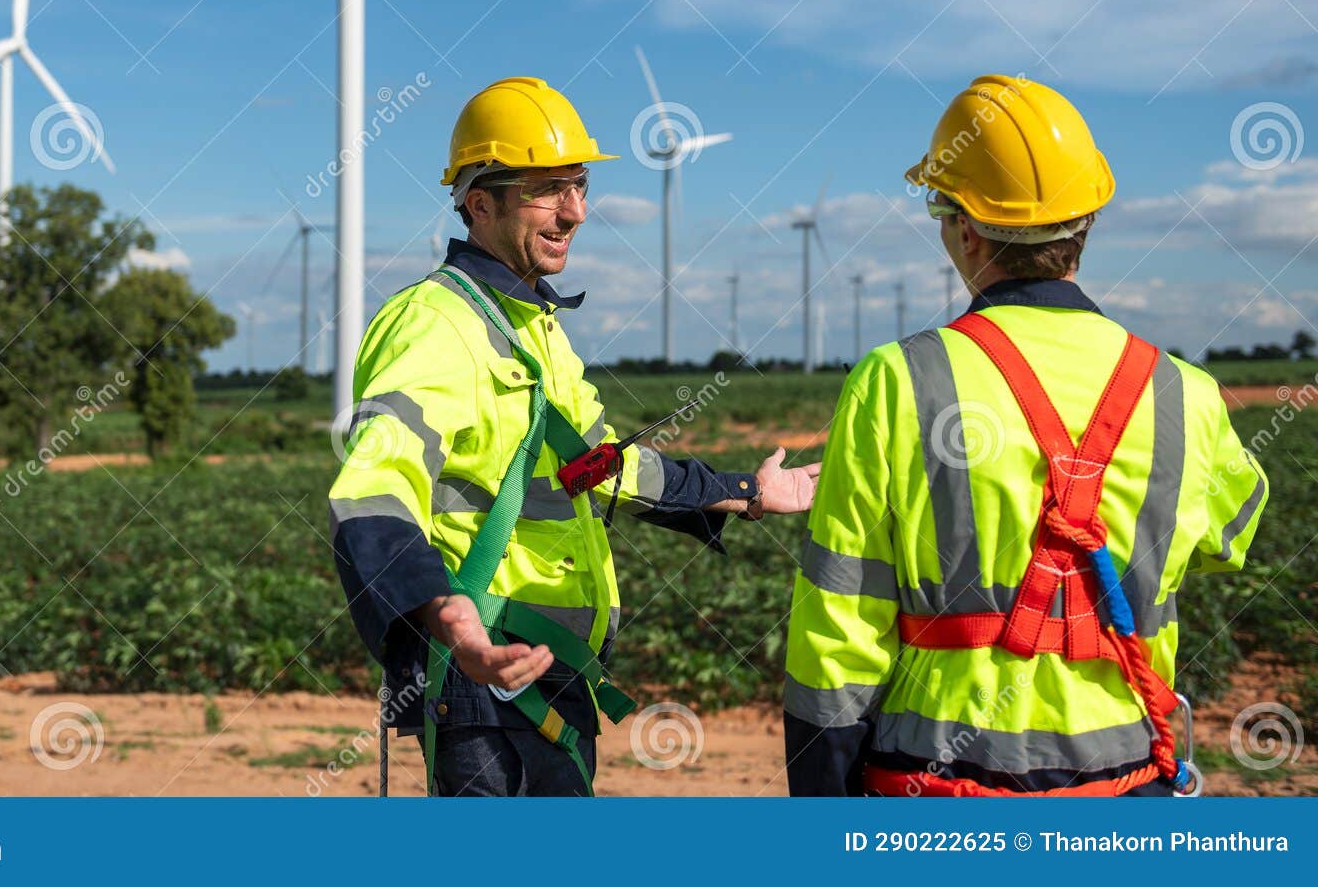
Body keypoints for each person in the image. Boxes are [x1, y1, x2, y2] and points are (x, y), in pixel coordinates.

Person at [330, 76, 819, 796]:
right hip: (486, 680)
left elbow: (599, 467)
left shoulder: (534, 326)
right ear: (479, 203)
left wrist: (746, 491)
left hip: (555, 679)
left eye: (580, 185)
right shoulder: (435, 323)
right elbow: (371, 490)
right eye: (548, 190)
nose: (576, 211)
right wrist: (449, 617)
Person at [784, 74, 1269, 796]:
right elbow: (1227, 537)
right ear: (1086, 225)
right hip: (1127, 788)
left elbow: (839, 624)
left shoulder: (896, 381)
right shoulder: (1185, 394)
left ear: (967, 229)